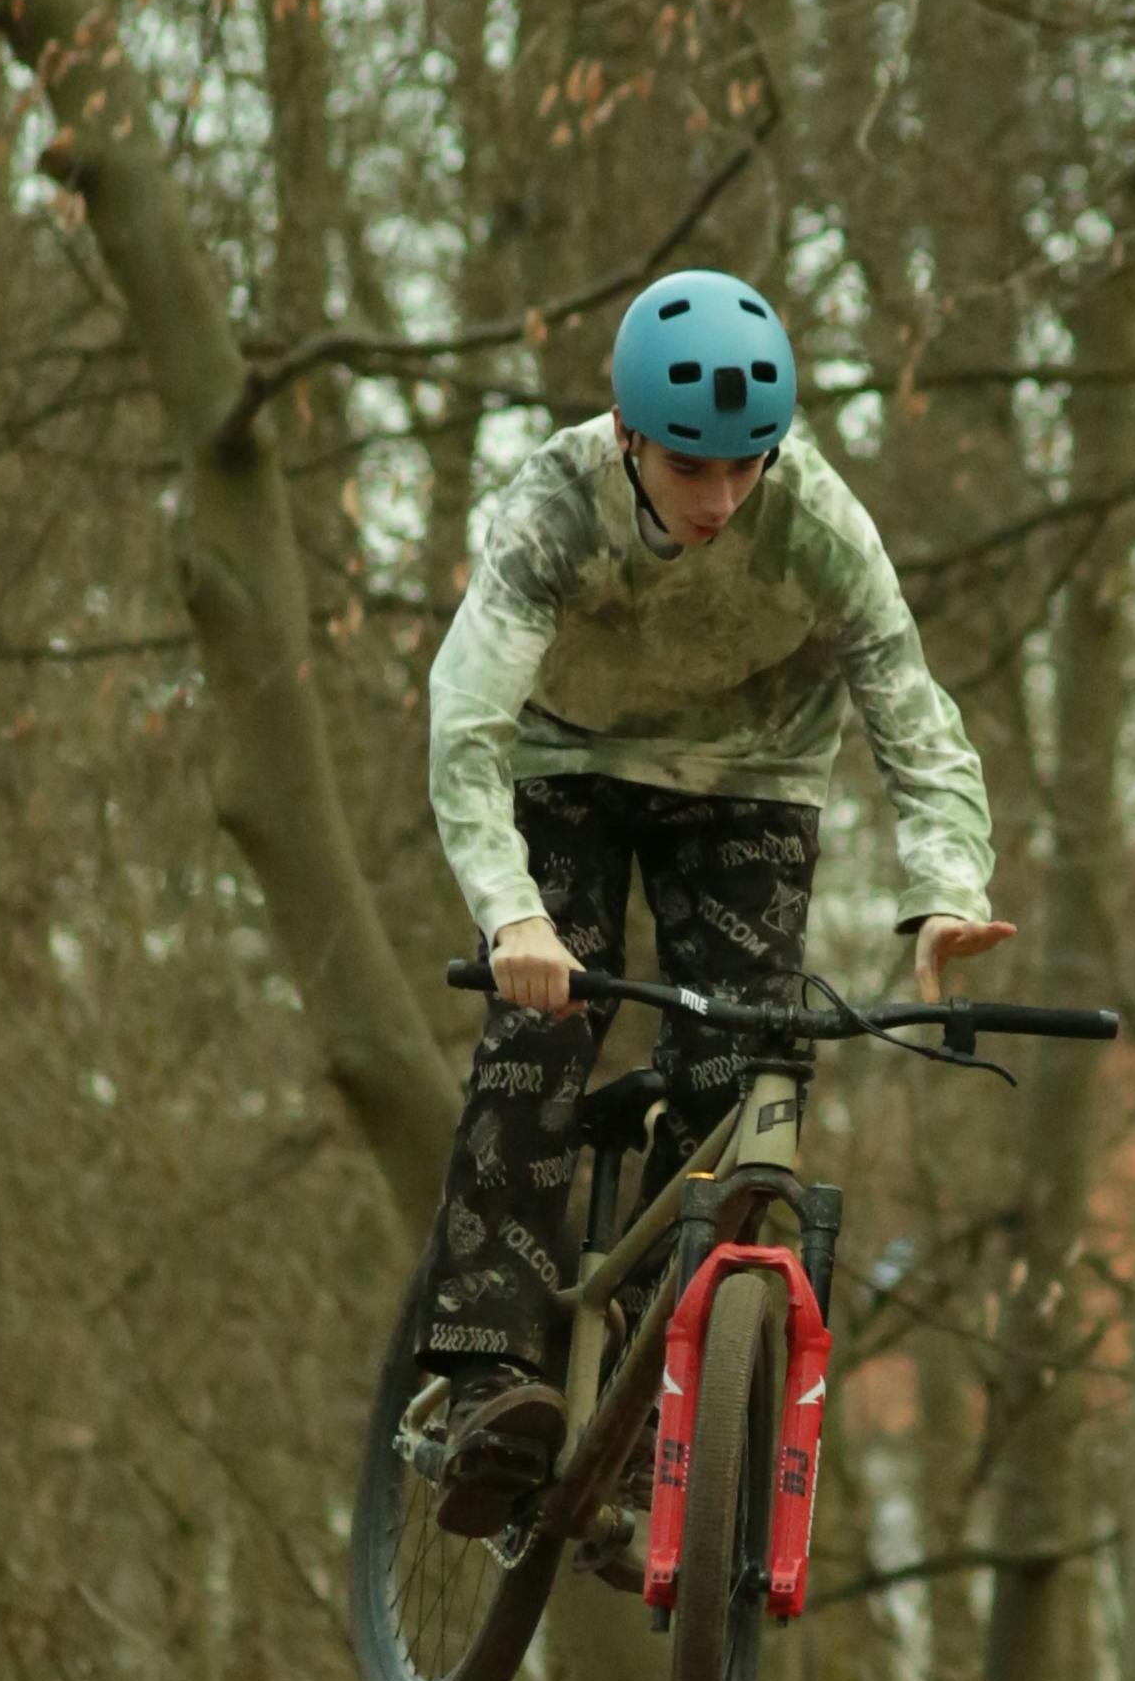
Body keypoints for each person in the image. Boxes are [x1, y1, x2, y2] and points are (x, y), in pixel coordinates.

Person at [408, 267, 1010, 1533]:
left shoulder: (822, 526)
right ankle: (479, 1381)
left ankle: (650, 1417)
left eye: (747, 465)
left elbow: (914, 714)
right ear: (630, 437)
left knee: (742, 1082)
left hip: (750, 783)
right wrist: (515, 917)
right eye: (691, 467)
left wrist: (945, 892)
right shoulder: (552, 509)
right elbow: (467, 727)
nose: (721, 500)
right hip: (562, 762)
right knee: (539, 1033)